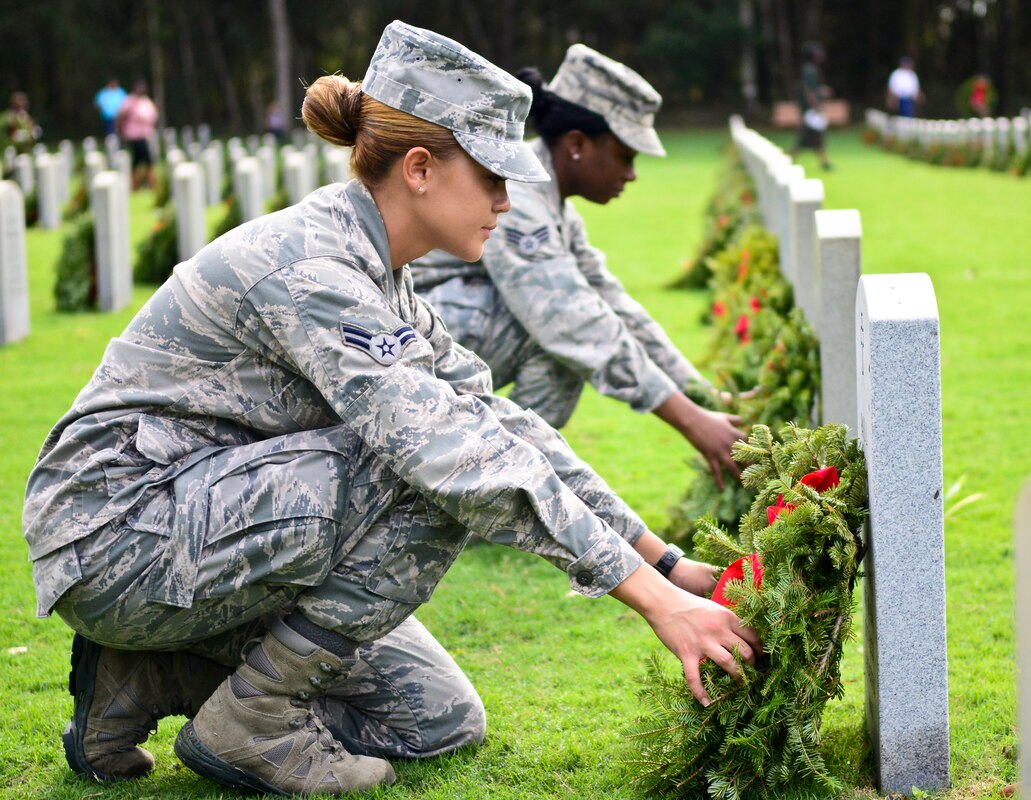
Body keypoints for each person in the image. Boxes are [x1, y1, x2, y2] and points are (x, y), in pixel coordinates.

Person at [23, 20, 760, 797]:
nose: (509, 202)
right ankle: (257, 718)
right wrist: (655, 607)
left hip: (208, 530)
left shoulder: (384, 270)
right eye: (492, 178)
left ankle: (146, 676)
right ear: (419, 169)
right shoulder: (315, 265)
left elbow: (503, 419)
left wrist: (671, 567)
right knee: (440, 461)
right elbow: (456, 450)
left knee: (435, 720)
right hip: (120, 535)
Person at [411, 45, 744, 488]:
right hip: (404, 348)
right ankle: (490, 483)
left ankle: (495, 480)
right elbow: (574, 322)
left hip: (441, 340)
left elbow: (615, 305)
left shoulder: (556, 209)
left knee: (580, 325)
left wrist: (701, 396)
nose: (632, 174)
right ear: (577, 145)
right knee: (562, 340)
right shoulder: (520, 201)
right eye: (626, 156)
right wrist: (690, 421)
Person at [792, 41, 833, 170]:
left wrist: (821, 90)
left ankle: (824, 161)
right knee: (808, 136)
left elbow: (812, 89)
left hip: (809, 109)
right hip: (810, 110)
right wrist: (815, 107)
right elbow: (809, 91)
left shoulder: (809, 68)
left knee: (814, 137)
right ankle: (789, 159)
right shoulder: (810, 69)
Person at [116, 79, 158, 191]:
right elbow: (120, 116)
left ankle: (148, 182)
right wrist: (121, 131)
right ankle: (137, 184)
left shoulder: (146, 102)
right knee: (139, 160)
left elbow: (153, 116)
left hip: (145, 135)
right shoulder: (129, 101)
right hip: (134, 136)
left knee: (146, 160)